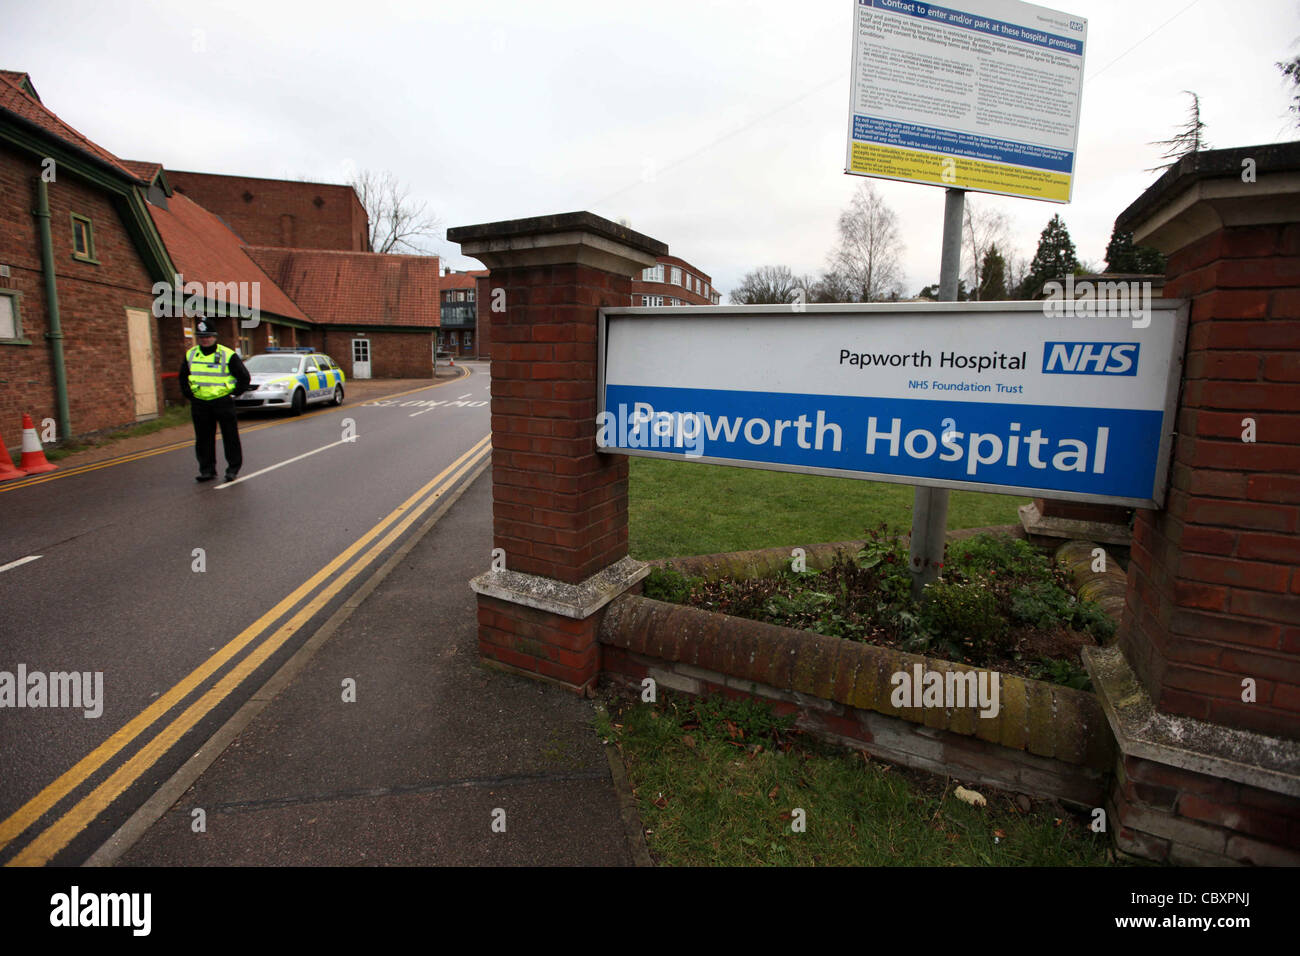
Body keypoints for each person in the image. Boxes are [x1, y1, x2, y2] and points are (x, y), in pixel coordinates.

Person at [180, 318, 251, 482]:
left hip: (222, 402)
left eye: (208, 336)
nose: (205, 339)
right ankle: (207, 470)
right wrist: (189, 395)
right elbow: (183, 378)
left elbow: (244, 377)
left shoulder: (228, 354)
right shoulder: (191, 354)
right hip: (200, 403)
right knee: (203, 439)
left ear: (215, 337)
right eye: (201, 336)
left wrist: (232, 394)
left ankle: (232, 469)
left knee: (230, 437)